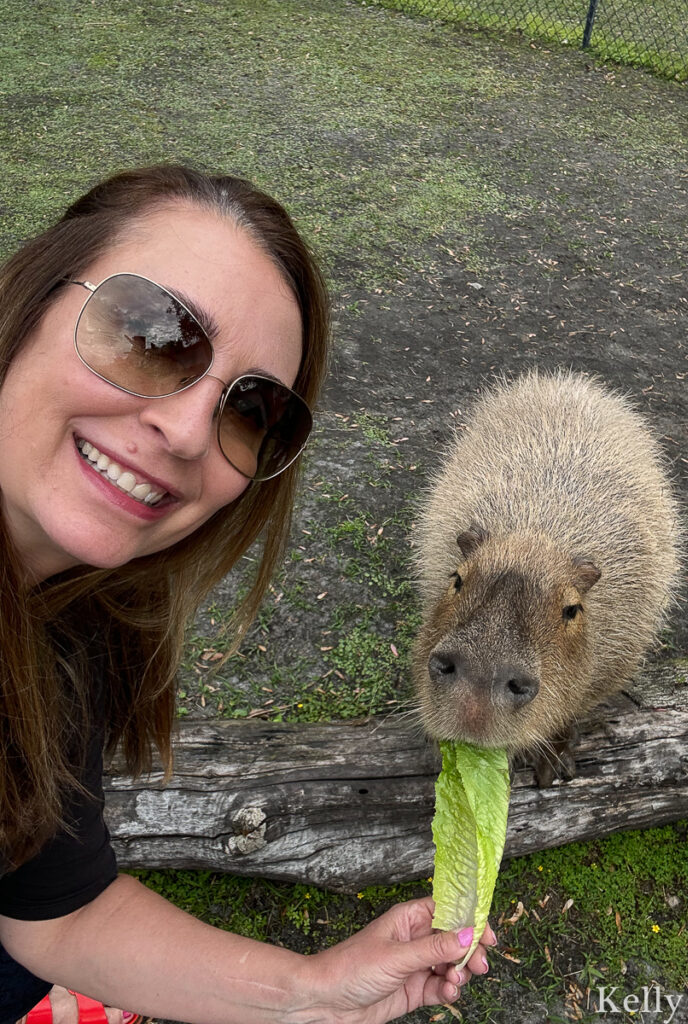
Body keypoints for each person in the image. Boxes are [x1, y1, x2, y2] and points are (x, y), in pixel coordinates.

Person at [0, 165, 493, 1024]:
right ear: (31, 292)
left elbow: (54, 912)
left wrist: (312, 994)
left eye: (251, 411)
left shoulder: (77, 628)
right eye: (152, 335)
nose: (188, 432)